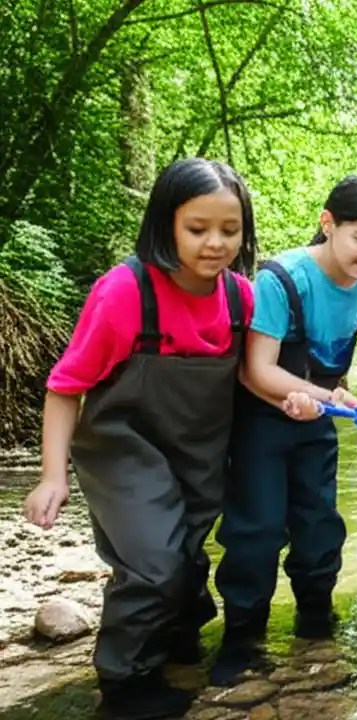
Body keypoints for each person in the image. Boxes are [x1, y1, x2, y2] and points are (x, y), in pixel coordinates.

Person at [22, 158, 256, 719]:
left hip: (199, 447)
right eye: (197, 229)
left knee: (187, 554)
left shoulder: (241, 298)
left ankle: (177, 638)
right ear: (164, 225)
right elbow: (64, 386)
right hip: (120, 447)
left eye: (230, 230)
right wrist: (52, 476)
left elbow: (255, 374)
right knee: (153, 561)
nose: (215, 244)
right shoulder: (125, 292)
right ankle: (124, 683)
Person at [212, 175, 357, 683]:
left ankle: (316, 623)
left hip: (318, 422)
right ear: (327, 224)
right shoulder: (281, 278)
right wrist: (323, 397)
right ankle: (241, 635)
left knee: (319, 525)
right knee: (257, 529)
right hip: (261, 427)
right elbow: (256, 369)